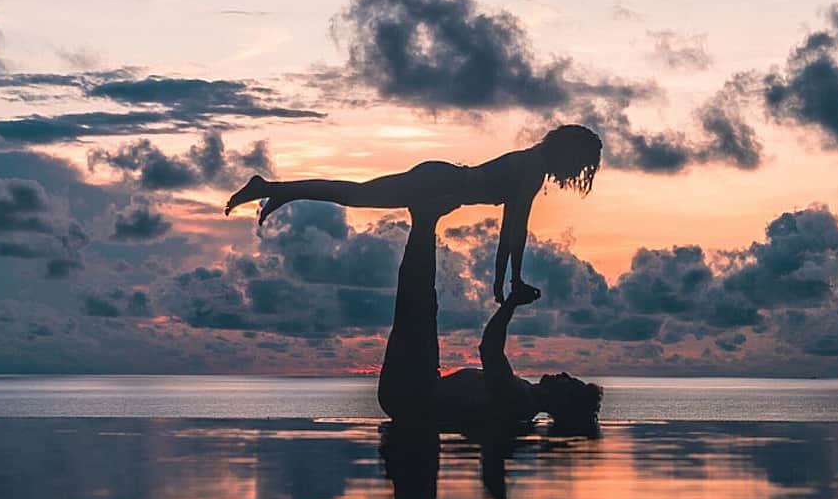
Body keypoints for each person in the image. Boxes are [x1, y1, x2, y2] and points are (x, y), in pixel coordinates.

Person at [225, 125, 602, 303]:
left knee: (354, 194)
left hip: (439, 179)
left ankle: (277, 191)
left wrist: (505, 282)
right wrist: (508, 280)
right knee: (355, 195)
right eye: (582, 164)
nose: (578, 173)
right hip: (437, 182)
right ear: (570, 154)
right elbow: (515, 229)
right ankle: (270, 189)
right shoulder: (533, 167)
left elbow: (511, 229)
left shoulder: (530, 163)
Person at [377, 201, 601, 436]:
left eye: (571, 382)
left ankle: (425, 217)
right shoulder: (522, 397)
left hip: (410, 394)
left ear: (562, 401)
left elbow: (490, 349)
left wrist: (511, 304)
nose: (564, 375)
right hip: (417, 387)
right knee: (421, 305)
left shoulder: (518, 399)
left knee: (417, 305)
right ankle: (425, 218)